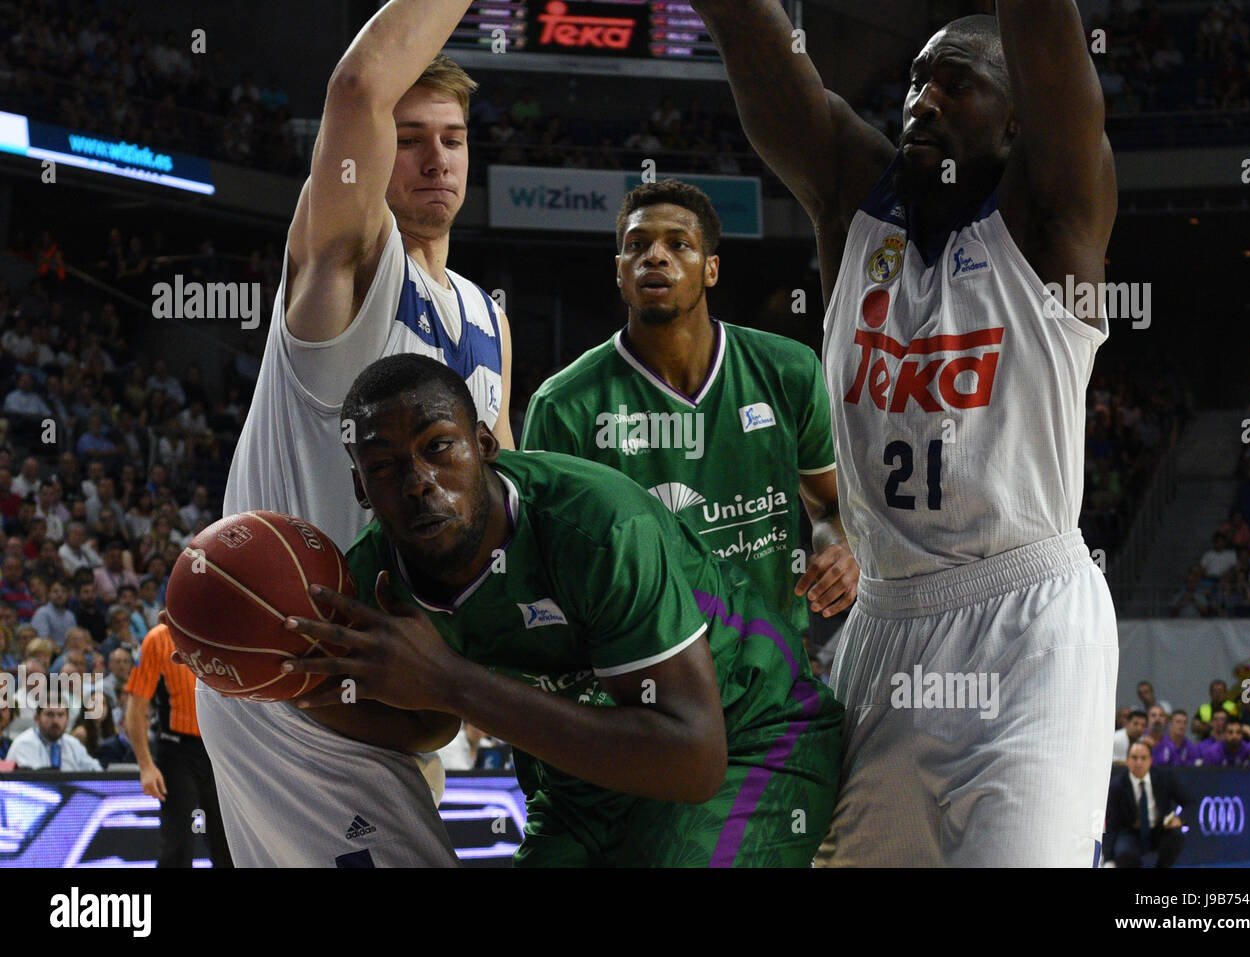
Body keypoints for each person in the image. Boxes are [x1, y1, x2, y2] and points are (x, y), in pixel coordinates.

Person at [693, 1, 1118, 865]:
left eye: (957, 85)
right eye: (918, 81)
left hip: (1024, 622)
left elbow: (1047, 38)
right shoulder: (858, 209)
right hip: (884, 620)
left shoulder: (1054, 218)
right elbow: (768, 57)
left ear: (1017, 121)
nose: (923, 100)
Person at [281, 355, 843, 866]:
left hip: (748, 733)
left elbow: (693, 761)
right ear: (360, 487)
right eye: (383, 467)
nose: (418, 483)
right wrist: (287, 683)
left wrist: (451, 681)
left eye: (438, 447)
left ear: (484, 445)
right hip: (582, 789)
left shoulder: (600, 526)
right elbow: (431, 725)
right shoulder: (371, 580)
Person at [197, 0, 513, 869]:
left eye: (450, 138)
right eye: (410, 137)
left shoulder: (488, 316)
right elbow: (359, 84)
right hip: (290, 658)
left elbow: (506, 493)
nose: (433, 157)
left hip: (399, 675)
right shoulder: (351, 262)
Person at [522, 180, 857, 635]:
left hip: (771, 666)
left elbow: (830, 504)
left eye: (678, 244)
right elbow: (543, 567)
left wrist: (840, 548)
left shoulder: (788, 369)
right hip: (640, 675)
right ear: (620, 271)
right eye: (636, 246)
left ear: (711, 269)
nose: (654, 256)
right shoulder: (564, 404)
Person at [123, 623, 233, 868]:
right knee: (177, 845)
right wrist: (145, 766)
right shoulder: (159, 638)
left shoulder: (224, 633)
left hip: (221, 748)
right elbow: (136, 706)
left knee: (229, 845)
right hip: (177, 750)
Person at [1102, 740, 1187, 868]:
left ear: (1151, 760)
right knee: (1124, 853)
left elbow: (1190, 802)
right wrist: (1108, 858)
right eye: (1134, 758)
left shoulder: (1164, 778)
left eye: (1143, 758)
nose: (1139, 762)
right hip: (1130, 833)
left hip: (1159, 830)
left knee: (1176, 835)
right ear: (1127, 760)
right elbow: (1111, 825)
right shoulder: (1117, 786)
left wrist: (1179, 818)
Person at [6, 706, 103, 770]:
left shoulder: (73, 744)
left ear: (67, 719)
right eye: (49, 714)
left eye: (60, 715)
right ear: (37, 718)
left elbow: (96, 770)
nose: (55, 721)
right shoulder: (23, 744)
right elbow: (35, 781)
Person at [31, 581, 77, 649]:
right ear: (49, 594)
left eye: (63, 591)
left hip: (68, 652)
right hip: (47, 652)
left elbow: (74, 637)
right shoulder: (42, 613)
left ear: (67, 595)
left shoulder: (70, 615)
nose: (60, 595)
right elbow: (43, 639)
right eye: (55, 591)